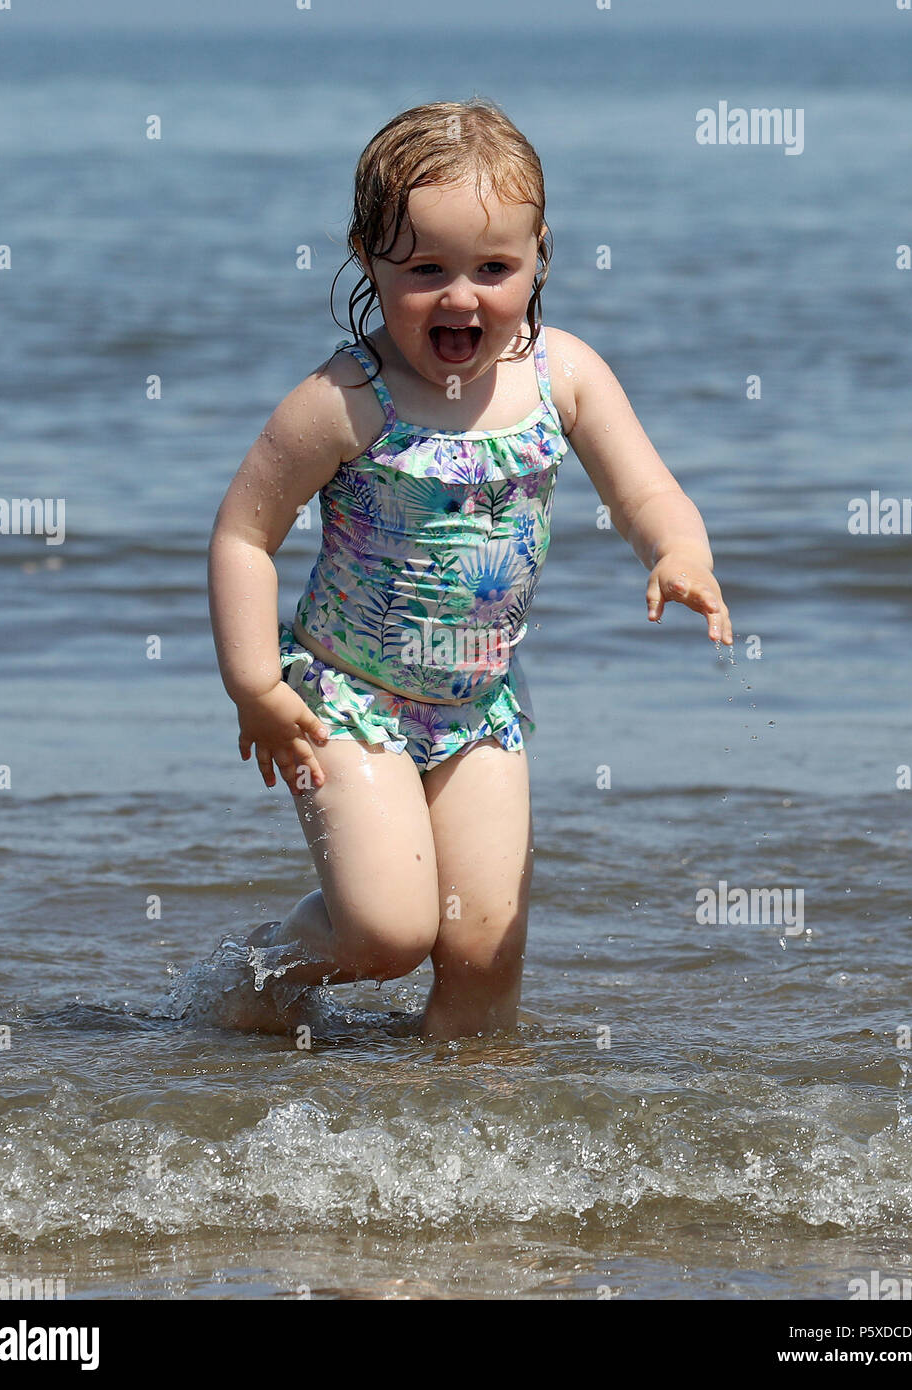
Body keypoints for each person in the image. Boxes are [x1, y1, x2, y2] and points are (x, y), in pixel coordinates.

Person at [205, 99, 732, 1041]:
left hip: (479, 705)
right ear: (368, 258)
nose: (462, 297)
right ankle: (255, 983)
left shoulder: (561, 374)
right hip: (347, 699)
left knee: (486, 950)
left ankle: (461, 1135)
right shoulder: (343, 401)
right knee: (387, 931)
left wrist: (678, 551)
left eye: (494, 269)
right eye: (426, 270)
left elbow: (646, 490)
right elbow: (245, 535)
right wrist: (254, 684)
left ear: (539, 258)